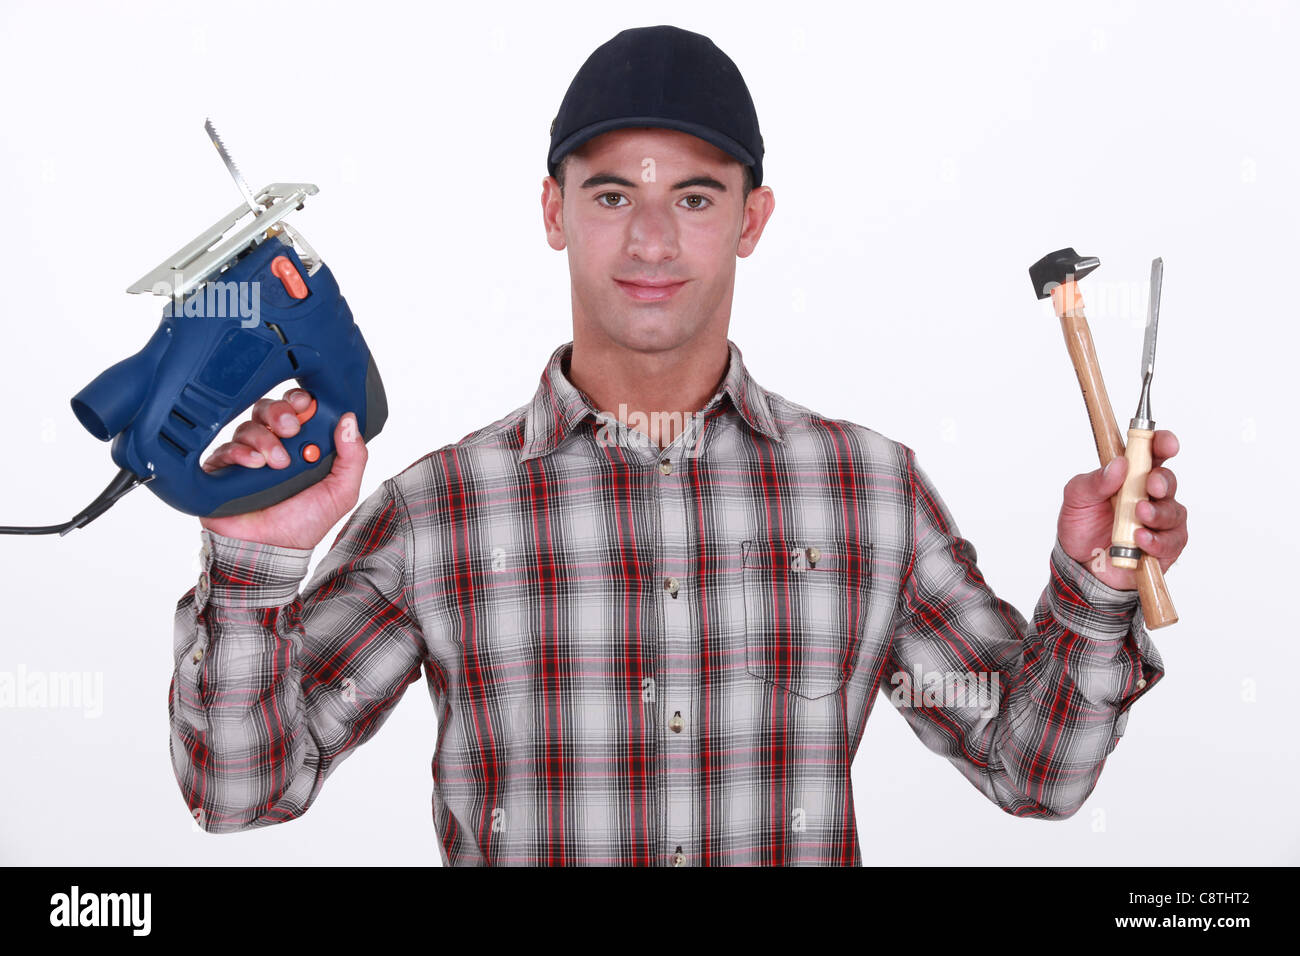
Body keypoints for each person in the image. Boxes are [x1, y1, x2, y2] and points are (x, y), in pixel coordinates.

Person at [171, 24, 1189, 866]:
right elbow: (239, 790)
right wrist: (258, 560)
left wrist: (1093, 587)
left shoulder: (867, 496)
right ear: (553, 210)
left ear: (751, 219)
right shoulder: (439, 511)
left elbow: (1034, 770)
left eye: (693, 198)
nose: (651, 241)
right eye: (612, 195)